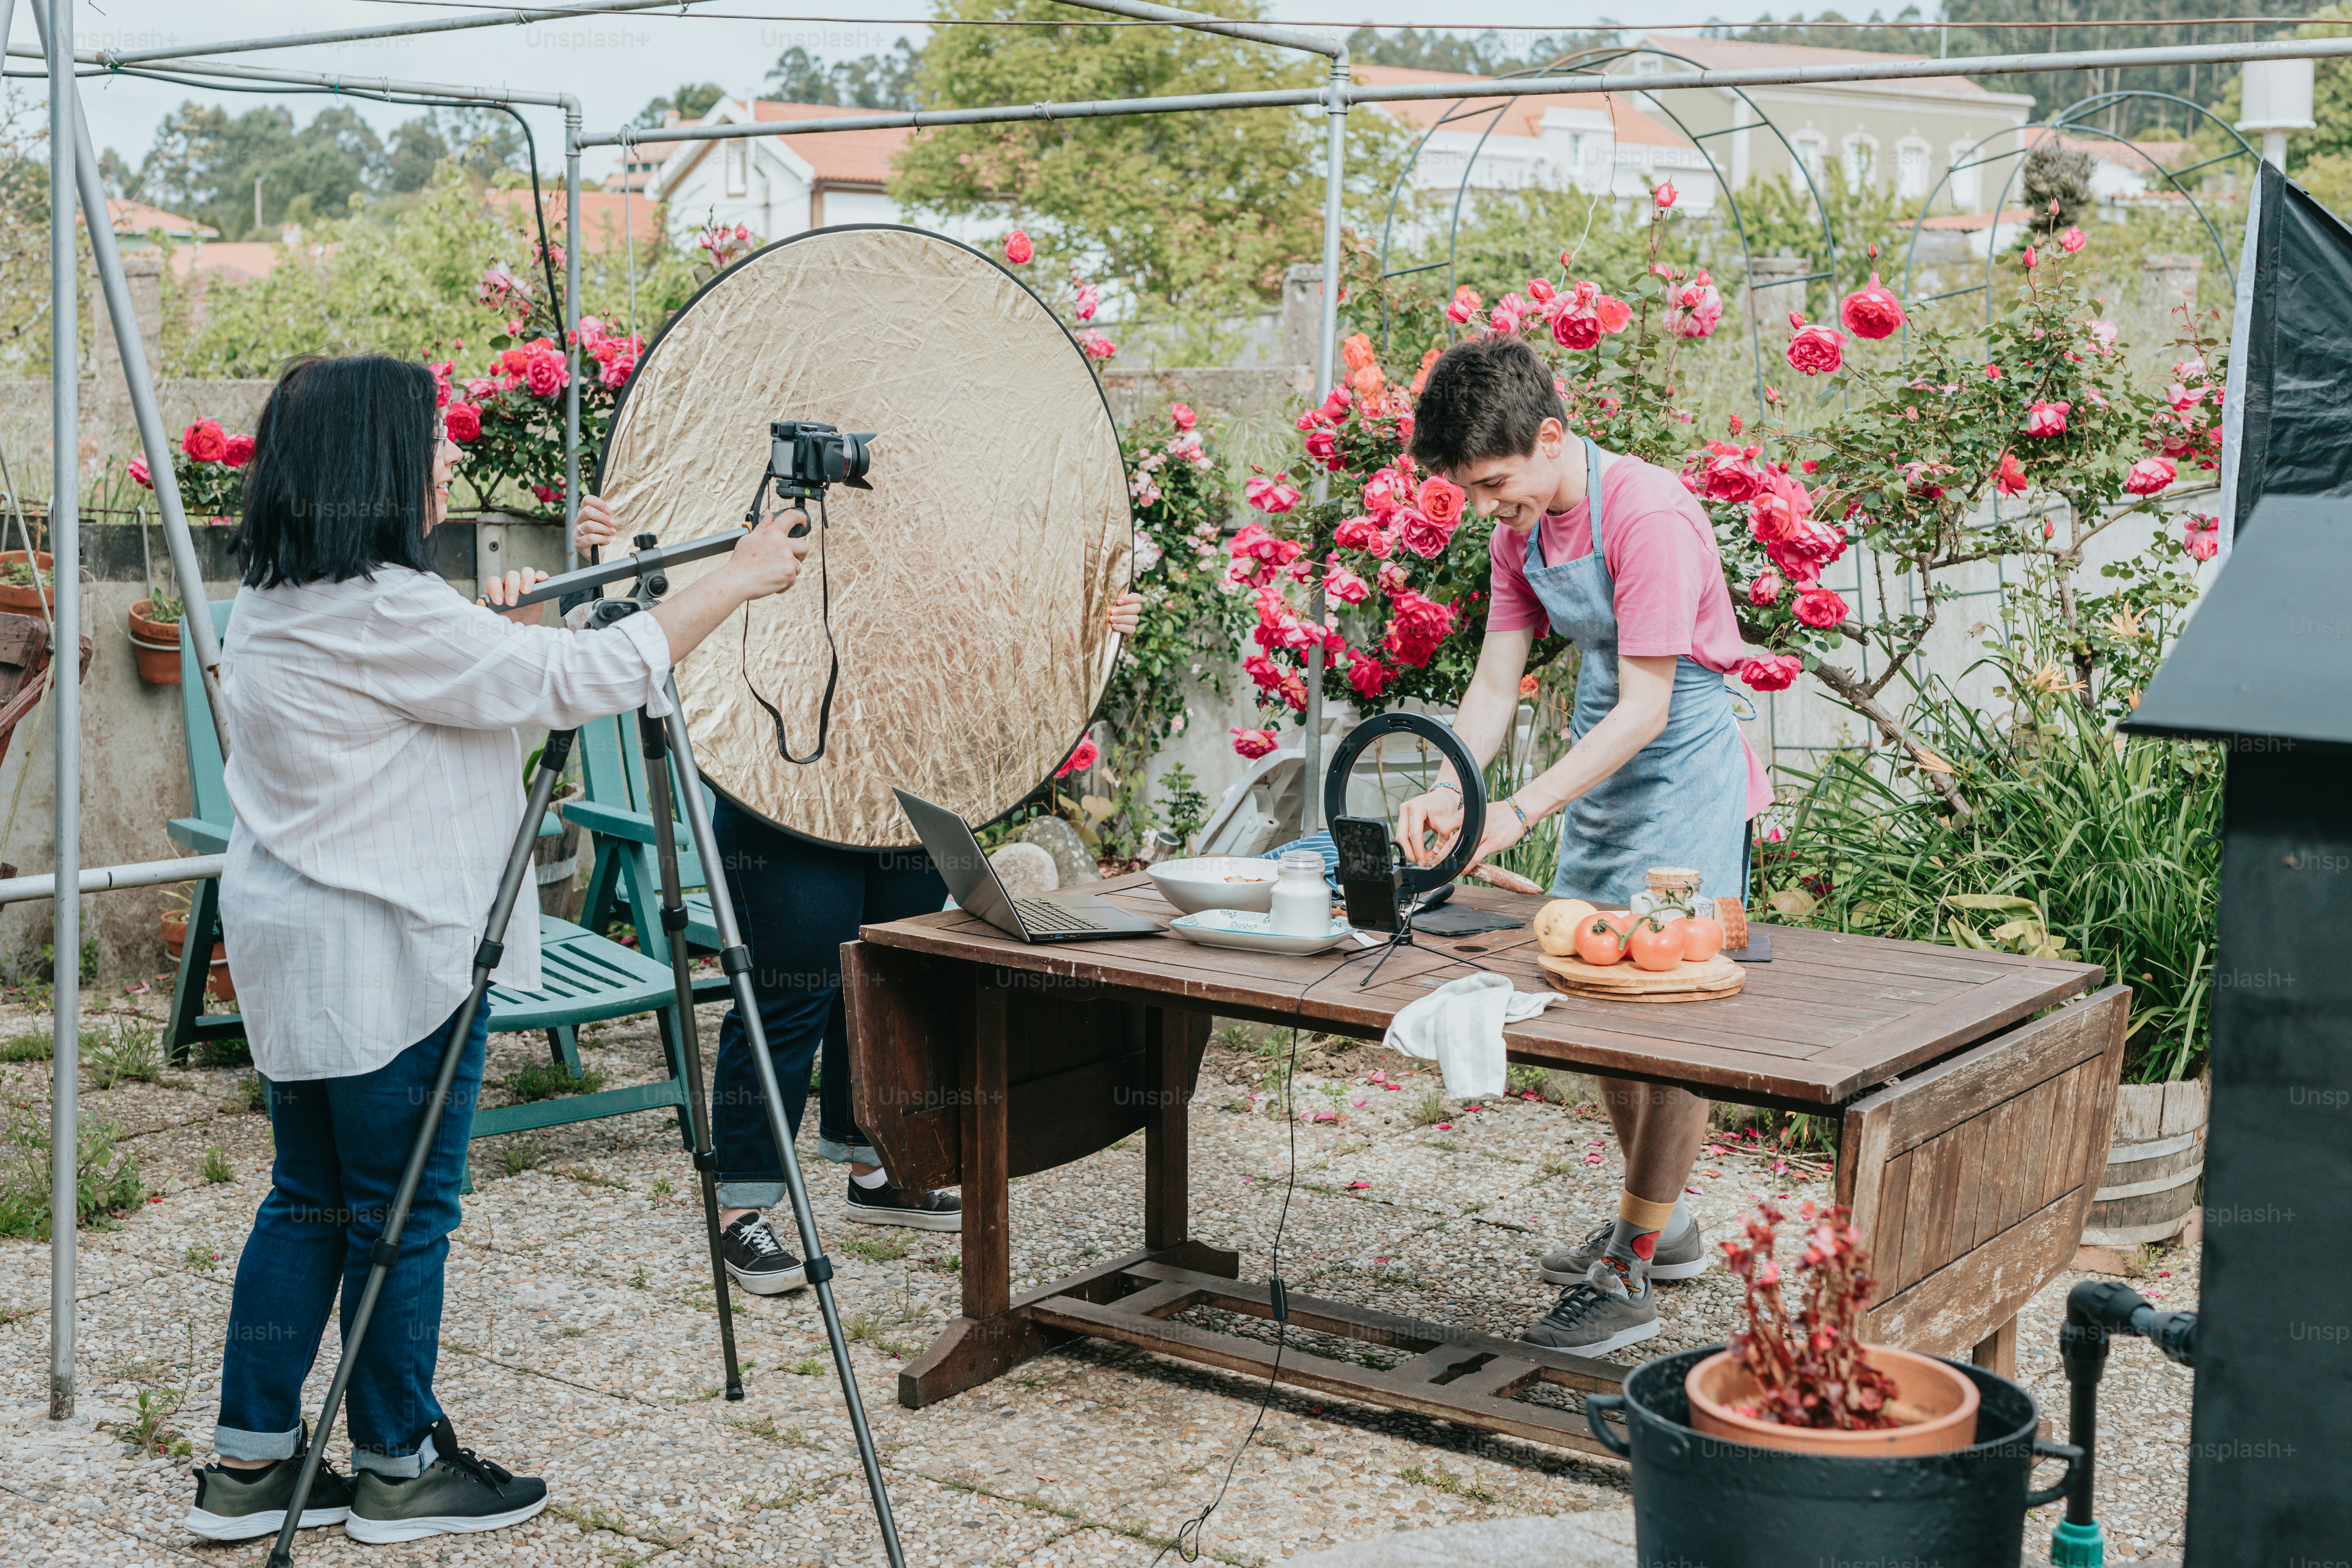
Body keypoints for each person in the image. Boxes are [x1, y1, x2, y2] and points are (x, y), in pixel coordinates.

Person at [186, 354, 811, 1546]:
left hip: (298, 946)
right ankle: (400, 1467)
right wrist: (733, 581)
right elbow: (591, 676)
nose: (446, 464)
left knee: (310, 1200)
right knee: (404, 1213)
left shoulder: (276, 595)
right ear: (374, 464)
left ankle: (250, 1466)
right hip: (395, 951)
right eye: (429, 448)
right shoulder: (386, 607)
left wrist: (501, 628)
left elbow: (441, 694)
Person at [572, 511, 1144, 1294]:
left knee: (887, 979)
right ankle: (742, 1204)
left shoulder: (939, 499)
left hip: (908, 770)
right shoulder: (759, 484)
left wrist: (1091, 622)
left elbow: (1000, 609)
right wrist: (609, 540)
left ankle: (874, 1166)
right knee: (788, 992)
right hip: (779, 779)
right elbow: (665, 566)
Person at [1394, 337, 1771, 1356]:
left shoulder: (1644, 512)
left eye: (1496, 483)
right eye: (1468, 489)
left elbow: (1649, 705)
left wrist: (1516, 817)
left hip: (1682, 766)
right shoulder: (1520, 532)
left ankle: (1631, 1263)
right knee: (1599, 992)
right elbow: (1492, 684)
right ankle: (1666, 1224)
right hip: (1598, 768)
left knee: (1671, 1018)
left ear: (1551, 437)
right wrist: (1452, 789)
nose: (1484, 506)